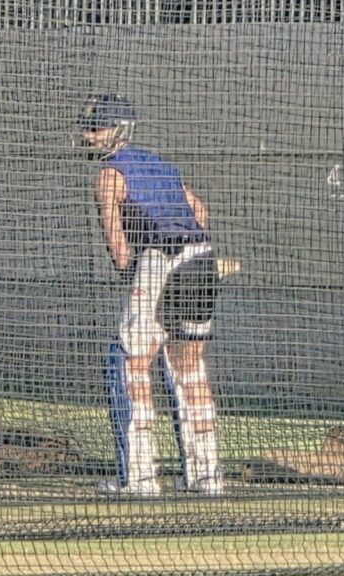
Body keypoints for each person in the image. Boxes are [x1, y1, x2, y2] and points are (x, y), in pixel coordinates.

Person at [78, 94, 223, 496]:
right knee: (189, 365)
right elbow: (200, 210)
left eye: (95, 128)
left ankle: (140, 477)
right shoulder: (162, 165)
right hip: (202, 260)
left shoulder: (109, 176)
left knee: (130, 362)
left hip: (161, 258)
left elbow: (120, 251)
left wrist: (139, 270)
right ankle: (206, 475)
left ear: (118, 130)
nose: (88, 136)